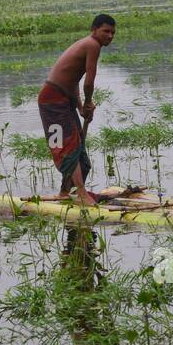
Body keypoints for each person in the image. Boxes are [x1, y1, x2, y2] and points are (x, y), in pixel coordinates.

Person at [37, 14, 116, 206]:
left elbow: (73, 82)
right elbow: (89, 82)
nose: (110, 36)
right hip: (52, 100)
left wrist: (81, 107)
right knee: (67, 145)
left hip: (63, 100)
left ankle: (66, 191)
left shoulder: (88, 45)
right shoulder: (92, 45)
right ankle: (80, 193)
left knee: (78, 145)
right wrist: (88, 101)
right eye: (106, 31)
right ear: (94, 30)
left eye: (113, 32)